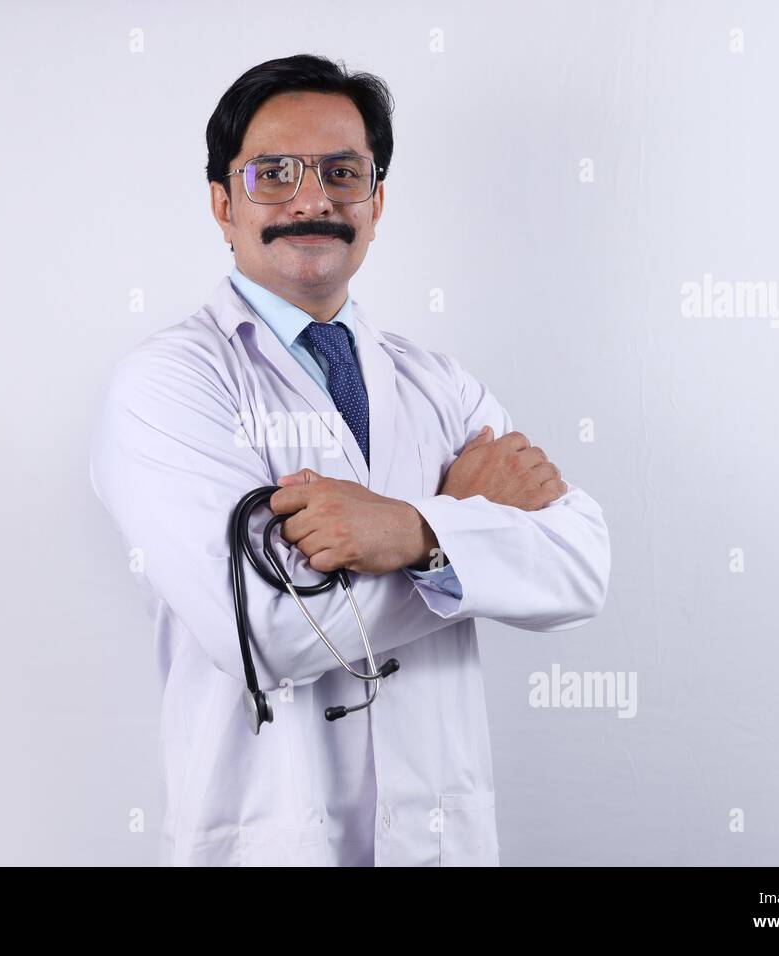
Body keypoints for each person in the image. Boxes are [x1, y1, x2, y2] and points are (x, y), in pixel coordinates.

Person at [89, 53, 611, 866]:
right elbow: (264, 632)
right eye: (274, 174)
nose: (312, 199)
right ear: (224, 205)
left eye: (342, 172)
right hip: (269, 839)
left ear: (376, 201)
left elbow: (582, 568)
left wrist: (410, 531)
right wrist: (466, 536)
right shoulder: (166, 385)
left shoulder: (439, 384)